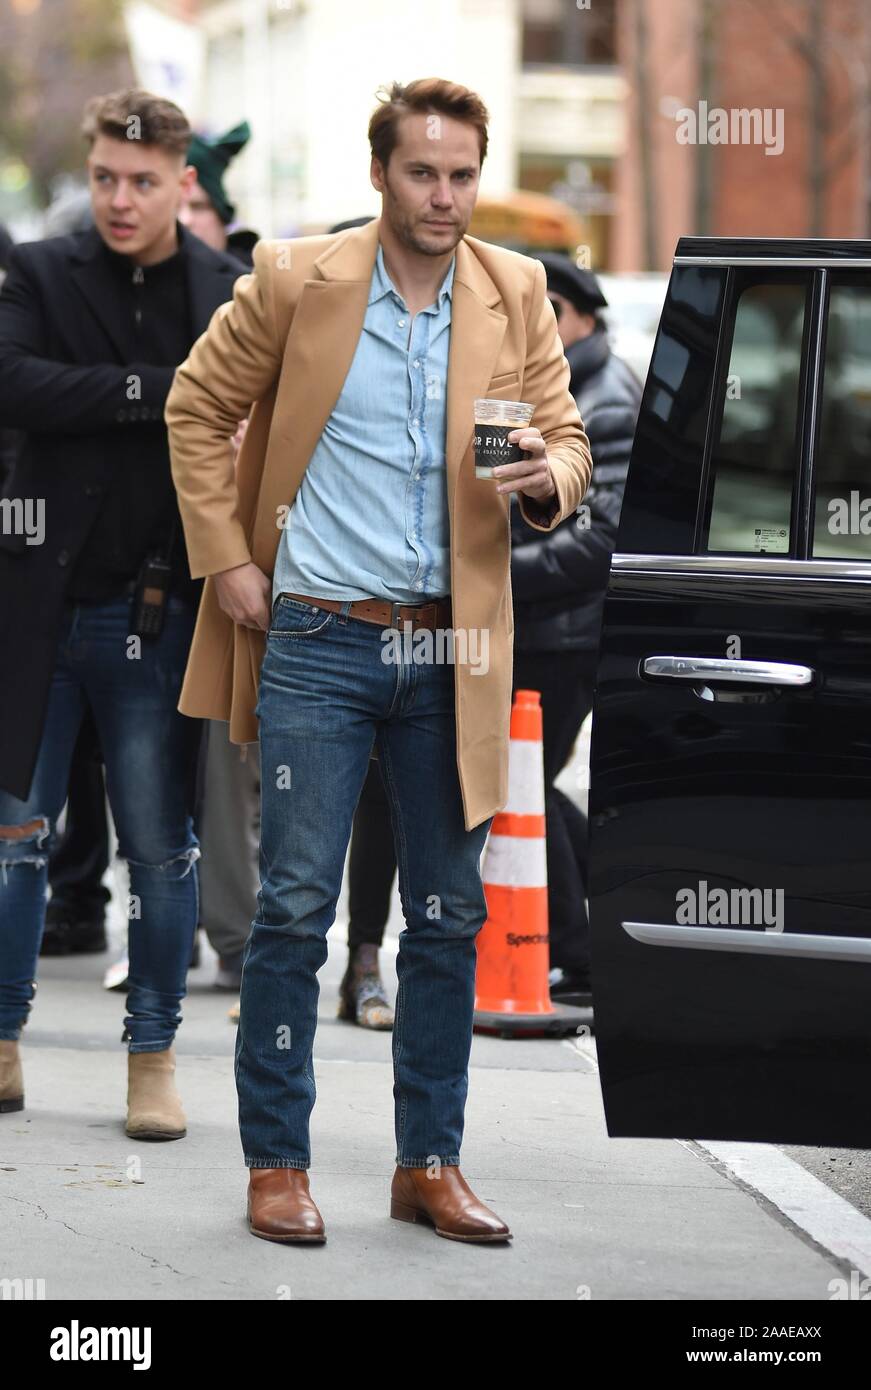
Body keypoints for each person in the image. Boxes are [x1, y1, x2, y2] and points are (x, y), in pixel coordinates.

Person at [165, 76, 591, 1245]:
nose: (444, 195)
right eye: (422, 172)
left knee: (448, 915)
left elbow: (566, 437)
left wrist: (549, 479)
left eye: (461, 174)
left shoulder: (516, 292)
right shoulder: (300, 281)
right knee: (296, 909)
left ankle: (428, 1161)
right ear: (381, 174)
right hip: (315, 635)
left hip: (453, 644)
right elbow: (196, 409)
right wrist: (226, 561)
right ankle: (277, 1164)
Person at [0, 88, 244, 1139]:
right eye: (105, 177)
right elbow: (14, 384)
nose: (119, 198)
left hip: (157, 606)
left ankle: (152, 1057)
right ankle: (3, 1041)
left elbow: (238, 408)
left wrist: (101, 392)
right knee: (13, 835)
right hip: (34, 602)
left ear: (181, 182)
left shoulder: (224, 286)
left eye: (142, 181)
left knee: (160, 846)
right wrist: (157, 393)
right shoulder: (38, 269)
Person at [510, 254, 642, 1005]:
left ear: (582, 318)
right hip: (537, 627)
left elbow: (600, 539)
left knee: (519, 781)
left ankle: (582, 954)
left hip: (561, 633)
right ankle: (604, 924)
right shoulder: (544, 391)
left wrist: (498, 576)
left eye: (546, 312)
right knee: (521, 780)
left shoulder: (603, 398)